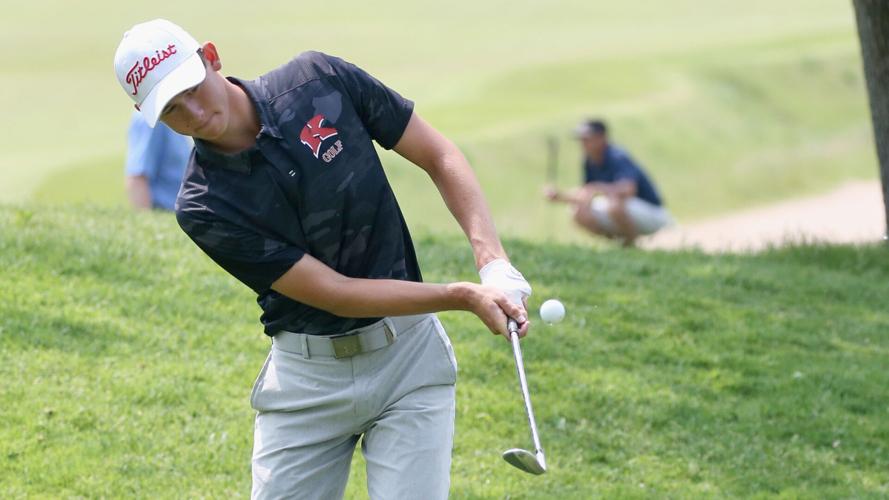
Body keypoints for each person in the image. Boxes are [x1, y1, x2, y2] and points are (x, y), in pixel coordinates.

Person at [113, 19, 532, 499]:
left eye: (190, 87)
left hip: (408, 366)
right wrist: (462, 296)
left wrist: (492, 261)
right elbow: (337, 293)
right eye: (170, 107)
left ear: (211, 56)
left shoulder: (318, 81)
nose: (192, 112)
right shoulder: (204, 205)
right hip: (307, 386)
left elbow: (438, 154)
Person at [545, 119, 670, 247]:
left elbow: (628, 189)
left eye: (587, 139)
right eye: (581, 140)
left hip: (653, 215)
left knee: (614, 205)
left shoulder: (617, 156)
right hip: (626, 213)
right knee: (579, 211)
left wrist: (599, 188)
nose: (583, 143)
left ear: (602, 138)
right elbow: (586, 193)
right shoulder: (589, 161)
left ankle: (632, 245)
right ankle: (622, 245)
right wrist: (560, 196)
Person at [124, 111, 192, 211]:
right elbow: (137, 178)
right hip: (164, 212)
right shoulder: (150, 119)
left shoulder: (173, 113)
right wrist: (147, 222)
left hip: (182, 215)